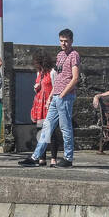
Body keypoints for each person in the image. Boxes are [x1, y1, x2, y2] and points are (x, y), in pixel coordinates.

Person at [19, 28, 79, 168]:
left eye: (66, 41)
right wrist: (52, 96)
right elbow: (57, 79)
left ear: (71, 41)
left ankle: (68, 158)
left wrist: (63, 93)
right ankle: (36, 156)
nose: (63, 44)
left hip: (65, 96)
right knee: (46, 127)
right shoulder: (59, 55)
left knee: (65, 128)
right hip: (56, 96)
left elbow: (75, 78)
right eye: (61, 41)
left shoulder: (74, 55)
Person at [29, 49, 59, 164]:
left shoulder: (51, 72)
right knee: (40, 130)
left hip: (48, 104)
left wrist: (50, 99)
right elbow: (38, 89)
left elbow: (56, 86)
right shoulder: (39, 73)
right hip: (39, 104)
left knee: (51, 131)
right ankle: (42, 157)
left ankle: (53, 158)